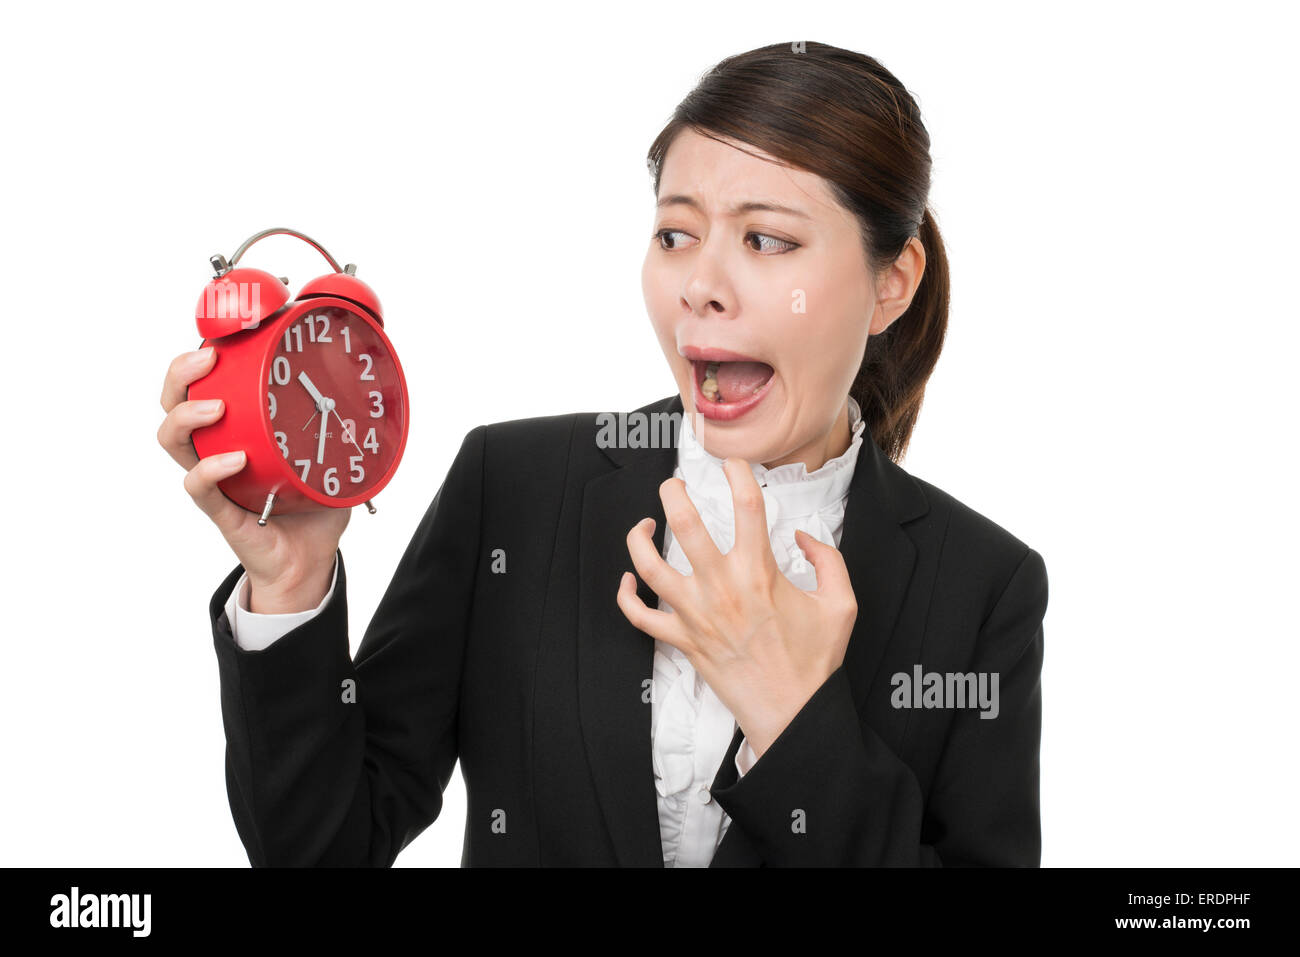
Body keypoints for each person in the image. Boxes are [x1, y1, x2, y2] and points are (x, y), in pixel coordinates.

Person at [157, 41, 1048, 867]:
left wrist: (790, 713)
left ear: (891, 284)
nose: (700, 286)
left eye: (767, 240)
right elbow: (324, 846)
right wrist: (290, 587)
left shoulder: (983, 588)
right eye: (675, 234)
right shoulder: (514, 490)